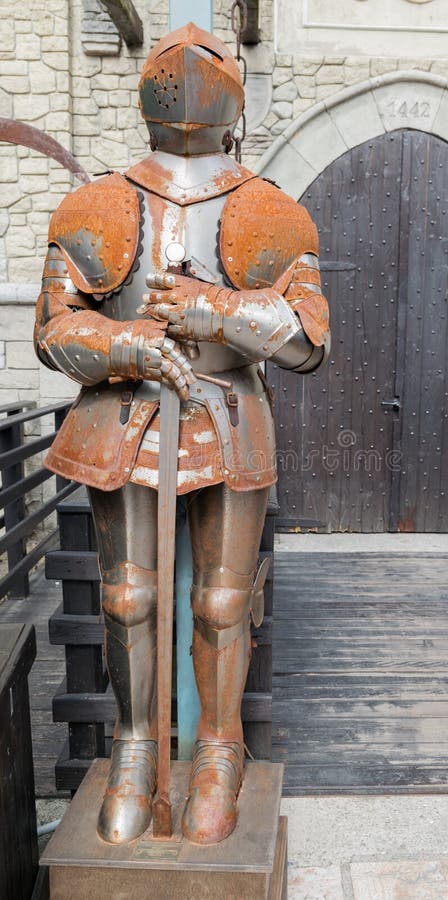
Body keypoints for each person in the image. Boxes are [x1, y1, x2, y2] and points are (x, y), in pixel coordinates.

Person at [33, 22, 329, 846]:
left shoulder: (270, 210)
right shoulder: (97, 203)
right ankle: (135, 745)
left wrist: (219, 311)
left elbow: (310, 340)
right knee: (127, 597)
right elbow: (54, 328)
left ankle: (219, 749)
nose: (188, 68)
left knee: (223, 601)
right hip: (124, 411)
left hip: (227, 412)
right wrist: (128, 344)